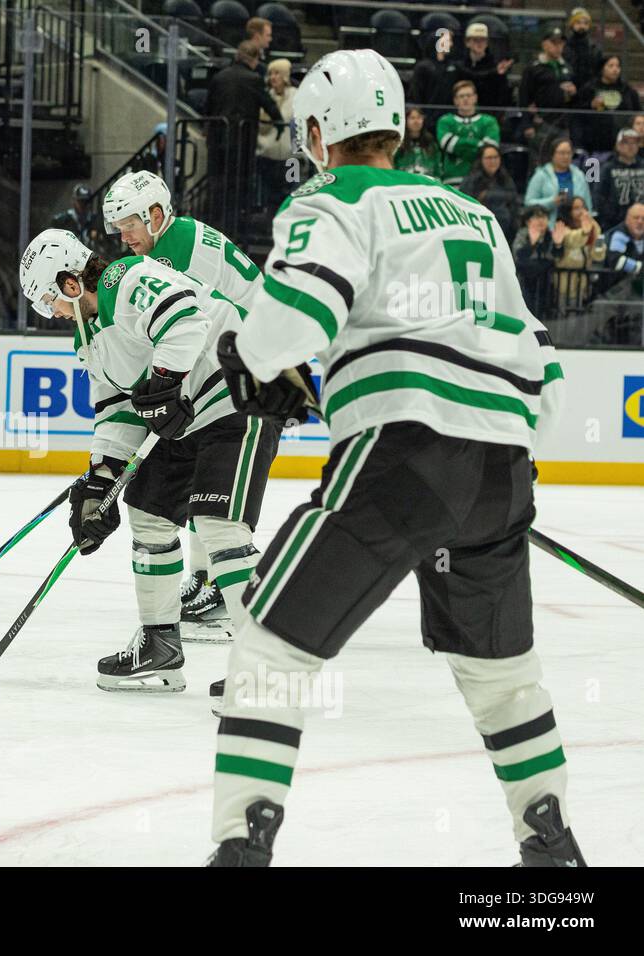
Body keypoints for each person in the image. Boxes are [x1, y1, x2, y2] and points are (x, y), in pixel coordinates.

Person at [206, 49, 579, 868]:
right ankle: (551, 853)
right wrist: (487, 455)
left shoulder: (331, 198)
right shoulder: (470, 211)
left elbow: (295, 313)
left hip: (403, 457)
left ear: (316, 131)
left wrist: (251, 354)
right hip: (503, 472)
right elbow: (544, 369)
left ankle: (240, 846)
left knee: (269, 645)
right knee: (504, 676)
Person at [18, 228, 251, 693]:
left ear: (69, 282)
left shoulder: (123, 278)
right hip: (189, 417)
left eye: (51, 302)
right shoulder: (90, 338)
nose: (55, 314)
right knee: (148, 511)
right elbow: (118, 409)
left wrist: (164, 383)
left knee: (217, 523)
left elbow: (185, 322)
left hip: (239, 391)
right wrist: (102, 476)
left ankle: (267, 663)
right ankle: (160, 648)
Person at [101, 170, 274, 636]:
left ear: (156, 215)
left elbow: (194, 324)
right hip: (240, 362)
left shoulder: (177, 247)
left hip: (244, 372)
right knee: (201, 487)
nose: (124, 236)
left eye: (130, 224)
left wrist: (168, 385)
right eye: (117, 228)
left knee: (217, 499)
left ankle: (219, 587)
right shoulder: (174, 239)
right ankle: (208, 579)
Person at [207, 42, 285, 232]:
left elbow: (208, 106)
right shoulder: (254, 79)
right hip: (242, 142)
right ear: (254, 59)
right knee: (239, 187)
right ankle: (235, 227)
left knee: (218, 185)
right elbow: (268, 104)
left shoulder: (219, 77)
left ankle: (216, 226)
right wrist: (279, 122)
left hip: (218, 141)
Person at [573, 55, 641, 155]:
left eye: (617, 66)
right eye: (611, 66)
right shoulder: (590, 88)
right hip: (594, 141)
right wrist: (591, 105)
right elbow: (576, 111)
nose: (615, 69)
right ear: (602, 69)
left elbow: (636, 112)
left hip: (621, 140)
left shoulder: (627, 90)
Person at [437, 80, 501, 186]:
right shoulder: (445, 121)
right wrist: (479, 145)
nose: (465, 99)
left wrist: (459, 144)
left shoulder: (489, 121)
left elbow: (490, 149)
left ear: (475, 98)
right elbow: (446, 144)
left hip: (482, 181)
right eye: (461, 96)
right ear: (455, 100)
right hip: (452, 180)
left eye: (469, 95)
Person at [518, 26, 577, 134]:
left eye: (561, 43)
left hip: (563, 121)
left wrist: (573, 92)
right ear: (544, 44)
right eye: (554, 43)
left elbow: (573, 98)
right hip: (540, 121)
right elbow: (524, 97)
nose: (558, 47)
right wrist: (527, 124)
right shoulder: (533, 68)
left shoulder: (567, 67)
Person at [256, 59, 296, 213]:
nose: (273, 77)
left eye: (277, 73)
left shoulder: (297, 96)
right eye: (271, 73)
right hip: (268, 154)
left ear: (285, 76)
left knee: (291, 195)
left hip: (292, 158)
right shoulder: (265, 97)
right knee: (269, 196)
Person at [512, 205, 564, 322]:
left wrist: (558, 245)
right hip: (525, 286)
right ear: (527, 221)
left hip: (546, 287)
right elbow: (518, 259)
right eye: (537, 217)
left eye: (544, 217)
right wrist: (531, 244)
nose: (541, 220)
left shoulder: (551, 236)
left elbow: (555, 259)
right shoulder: (522, 235)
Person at [551, 196, 603, 310]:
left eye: (583, 207)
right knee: (563, 316)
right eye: (576, 208)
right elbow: (571, 240)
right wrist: (584, 232)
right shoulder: (561, 225)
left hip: (584, 282)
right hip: (564, 282)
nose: (581, 211)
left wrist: (594, 237)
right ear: (568, 211)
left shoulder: (592, 225)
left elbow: (599, 254)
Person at [461, 143, 521, 241]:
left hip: (505, 231)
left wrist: (487, 195)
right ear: (481, 160)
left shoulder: (506, 179)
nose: (493, 161)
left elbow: (514, 201)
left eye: (496, 157)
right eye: (489, 158)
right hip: (479, 231)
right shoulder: (471, 181)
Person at [525, 137, 594, 214]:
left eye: (569, 153)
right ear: (552, 155)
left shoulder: (579, 175)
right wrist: (551, 202)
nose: (566, 157)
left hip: (576, 224)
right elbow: (529, 203)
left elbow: (588, 205)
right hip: (550, 223)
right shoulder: (541, 175)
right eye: (562, 153)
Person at [592, 129, 644, 229]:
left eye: (634, 143)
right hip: (614, 224)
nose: (631, 146)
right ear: (618, 145)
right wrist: (614, 216)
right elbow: (599, 197)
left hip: (641, 222)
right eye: (626, 142)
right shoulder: (607, 168)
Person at [457, 21, 514, 109]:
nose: (480, 43)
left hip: (489, 114)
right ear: (467, 42)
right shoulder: (460, 65)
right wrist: (494, 72)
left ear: (487, 43)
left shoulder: (495, 65)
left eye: (483, 40)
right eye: (475, 40)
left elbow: (503, 96)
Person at [599, 201, 644, 297]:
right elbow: (616, 261)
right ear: (627, 219)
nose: (640, 222)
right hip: (614, 291)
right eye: (636, 218)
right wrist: (640, 268)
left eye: (643, 219)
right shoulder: (619, 235)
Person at [394, 107, 444, 180]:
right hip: (404, 183)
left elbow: (437, 167)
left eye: (419, 118)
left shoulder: (431, 143)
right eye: (412, 118)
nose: (416, 121)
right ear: (405, 120)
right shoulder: (398, 143)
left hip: (427, 184)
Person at [563, 7, 604, 94]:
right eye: (578, 23)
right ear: (572, 25)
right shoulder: (564, 46)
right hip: (568, 91)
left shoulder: (594, 48)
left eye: (585, 23)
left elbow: (598, 72)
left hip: (589, 92)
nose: (582, 26)